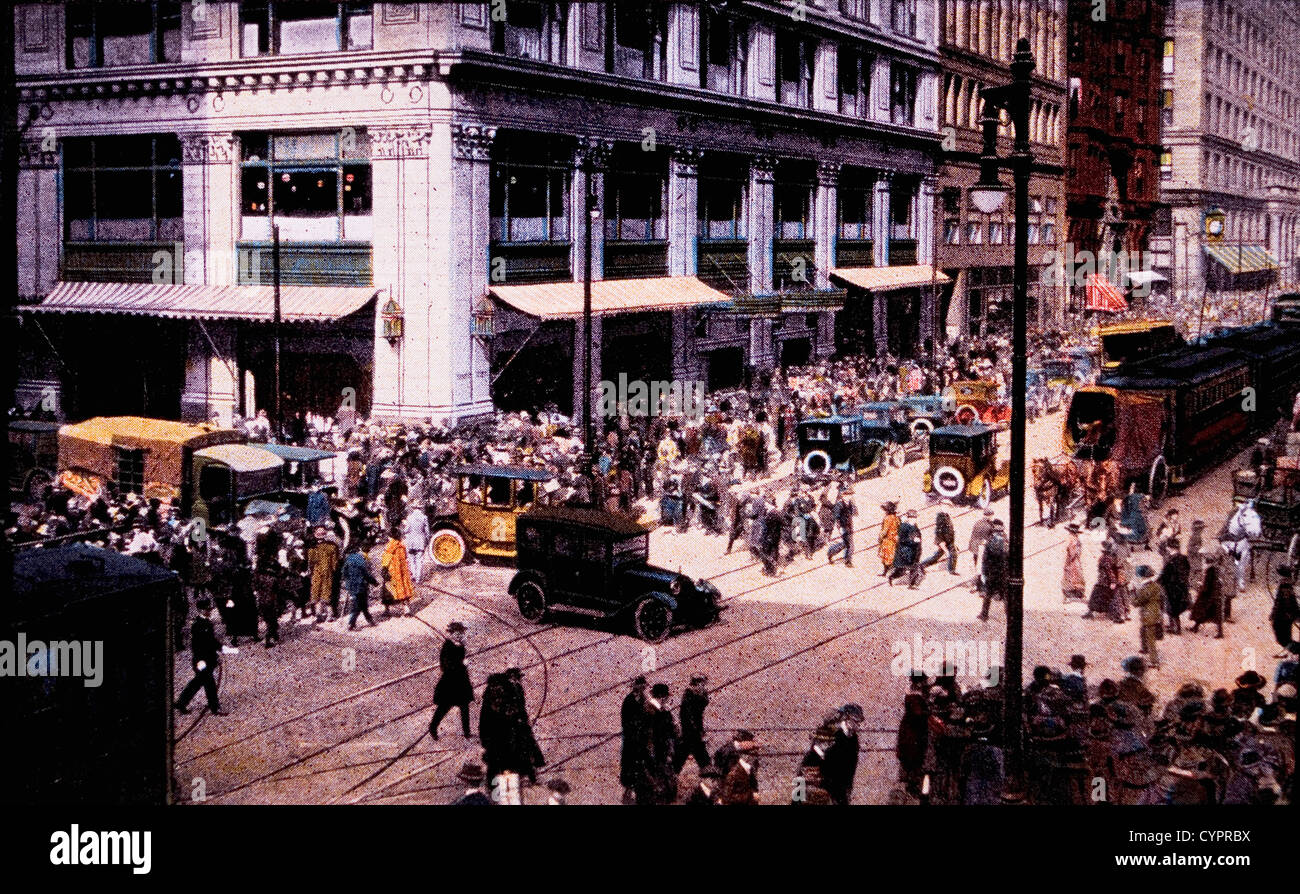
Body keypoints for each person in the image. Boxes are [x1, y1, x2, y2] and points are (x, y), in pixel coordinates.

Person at [174, 598, 226, 716]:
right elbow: (205, 644)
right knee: (210, 684)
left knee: (198, 681)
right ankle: (215, 708)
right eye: (207, 609)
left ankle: (181, 702)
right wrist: (216, 653)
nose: (209, 611)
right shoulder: (199, 625)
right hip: (202, 660)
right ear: (201, 610)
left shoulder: (204, 623)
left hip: (203, 659)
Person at [429, 622, 474, 740]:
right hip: (450, 682)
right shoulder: (447, 646)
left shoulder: (460, 645)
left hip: (461, 680)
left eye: (461, 633)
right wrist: (462, 664)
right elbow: (445, 666)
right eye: (457, 633)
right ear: (452, 634)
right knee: (444, 706)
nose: (460, 635)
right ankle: (433, 726)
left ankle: (467, 732)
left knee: (464, 707)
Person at [637, 683, 679, 805]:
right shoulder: (652, 711)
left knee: (665, 784)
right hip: (656, 754)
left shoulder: (660, 709)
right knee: (660, 785)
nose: (667, 700)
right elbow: (650, 735)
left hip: (659, 753)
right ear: (662, 696)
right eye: (666, 697)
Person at [619, 676, 650, 805]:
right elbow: (625, 720)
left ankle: (638, 787)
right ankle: (628, 788)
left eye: (644, 687)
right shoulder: (629, 700)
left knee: (640, 762)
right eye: (641, 687)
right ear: (636, 687)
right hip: (631, 738)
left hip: (640, 737)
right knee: (629, 762)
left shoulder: (644, 700)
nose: (643, 689)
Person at [824, 703, 863, 805]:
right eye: (855, 720)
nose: (857, 724)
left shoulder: (854, 739)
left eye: (859, 722)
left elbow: (852, 765)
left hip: (843, 786)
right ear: (846, 718)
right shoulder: (832, 733)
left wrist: (848, 787)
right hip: (827, 785)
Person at [676, 675, 711, 773]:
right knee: (691, 748)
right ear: (696, 683)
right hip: (690, 729)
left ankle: (706, 766)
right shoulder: (688, 695)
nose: (704, 686)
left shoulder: (698, 693)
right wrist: (697, 730)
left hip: (695, 728)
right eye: (702, 684)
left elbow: (703, 704)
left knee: (688, 750)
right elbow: (687, 715)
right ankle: (706, 767)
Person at [341, 539, 379, 629]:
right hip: (361, 585)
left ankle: (369, 619)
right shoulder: (361, 559)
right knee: (357, 606)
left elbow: (343, 573)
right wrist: (374, 582)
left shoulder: (347, 560)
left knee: (362, 604)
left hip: (351, 586)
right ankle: (351, 624)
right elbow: (365, 574)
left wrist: (346, 582)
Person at [1131, 565, 1163, 669]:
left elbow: (1136, 603)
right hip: (1155, 614)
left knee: (1150, 638)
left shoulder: (1145, 589)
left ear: (1143, 577)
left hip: (1148, 616)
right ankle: (1144, 648)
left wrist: (1132, 591)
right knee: (1143, 631)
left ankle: (1154, 661)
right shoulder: (1156, 586)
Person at [307, 527, 341, 623]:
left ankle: (319, 614)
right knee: (327, 593)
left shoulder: (312, 548)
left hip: (316, 572)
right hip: (328, 572)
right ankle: (329, 615)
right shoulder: (332, 546)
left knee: (316, 593)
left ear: (315, 535)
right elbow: (335, 563)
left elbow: (310, 562)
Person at [380, 527, 416, 616]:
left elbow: (386, 559)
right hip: (402, 572)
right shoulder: (401, 546)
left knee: (388, 591)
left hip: (392, 572)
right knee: (403, 590)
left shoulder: (390, 546)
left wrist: (384, 568)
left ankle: (387, 610)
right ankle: (407, 610)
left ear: (391, 536)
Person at [1159, 537, 1191, 635]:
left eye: (1168, 547)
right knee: (1175, 608)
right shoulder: (1184, 558)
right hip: (1182, 586)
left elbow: (1165, 574)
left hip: (1172, 587)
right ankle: (1173, 626)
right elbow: (1188, 570)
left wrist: (1158, 582)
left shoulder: (1170, 560)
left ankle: (1176, 628)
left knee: (1171, 608)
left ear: (1170, 548)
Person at [978, 521, 1008, 622]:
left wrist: (984, 573)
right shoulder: (1006, 543)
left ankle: (984, 614)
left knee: (988, 594)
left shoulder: (989, 543)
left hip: (992, 573)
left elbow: (985, 560)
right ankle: (1009, 615)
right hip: (1003, 573)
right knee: (1005, 595)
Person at [1269, 565, 1299, 656]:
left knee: (1283, 639)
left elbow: (1285, 603)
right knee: (1285, 639)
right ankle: (1293, 652)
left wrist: (1275, 615)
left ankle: (1296, 651)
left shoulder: (1285, 586)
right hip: (1284, 616)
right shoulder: (1286, 585)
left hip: (1282, 617)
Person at [890, 509, 924, 588]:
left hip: (914, 552)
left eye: (915, 518)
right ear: (908, 518)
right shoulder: (904, 527)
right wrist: (912, 540)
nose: (914, 519)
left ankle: (912, 585)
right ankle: (891, 577)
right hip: (905, 553)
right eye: (912, 518)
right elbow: (901, 540)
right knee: (902, 571)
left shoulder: (915, 526)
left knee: (914, 569)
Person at [826, 485, 856, 567]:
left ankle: (834, 554)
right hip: (843, 527)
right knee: (847, 544)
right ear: (843, 495)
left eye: (850, 494)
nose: (850, 496)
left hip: (849, 526)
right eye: (848, 495)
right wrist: (840, 528)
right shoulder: (839, 505)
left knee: (847, 544)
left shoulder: (849, 503)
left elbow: (851, 514)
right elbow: (836, 518)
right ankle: (834, 553)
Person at [402, 505, 430, 585]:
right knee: (419, 560)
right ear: (420, 509)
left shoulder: (409, 518)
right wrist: (427, 541)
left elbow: (406, 530)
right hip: (420, 541)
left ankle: (413, 575)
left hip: (410, 541)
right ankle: (418, 579)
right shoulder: (424, 517)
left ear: (413, 509)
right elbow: (427, 531)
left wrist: (404, 527)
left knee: (411, 559)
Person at [1062, 522, 1086, 603]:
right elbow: (1074, 551)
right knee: (1075, 575)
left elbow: (1072, 551)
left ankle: (1070, 595)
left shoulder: (1071, 539)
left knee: (1071, 575)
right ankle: (1075, 594)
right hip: (1074, 560)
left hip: (1072, 560)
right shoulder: (1075, 539)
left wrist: (1068, 560)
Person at [968, 508, 995, 579]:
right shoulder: (989, 525)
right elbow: (989, 538)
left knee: (976, 561)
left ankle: (978, 575)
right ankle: (981, 578)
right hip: (981, 547)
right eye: (992, 515)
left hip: (973, 546)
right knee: (984, 563)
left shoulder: (978, 522)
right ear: (989, 516)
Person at [878, 501, 899, 576]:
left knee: (887, 557)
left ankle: (887, 573)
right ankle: (886, 572)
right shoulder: (896, 517)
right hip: (894, 538)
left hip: (888, 540)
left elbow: (885, 530)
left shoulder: (887, 518)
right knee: (891, 556)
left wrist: (880, 537)